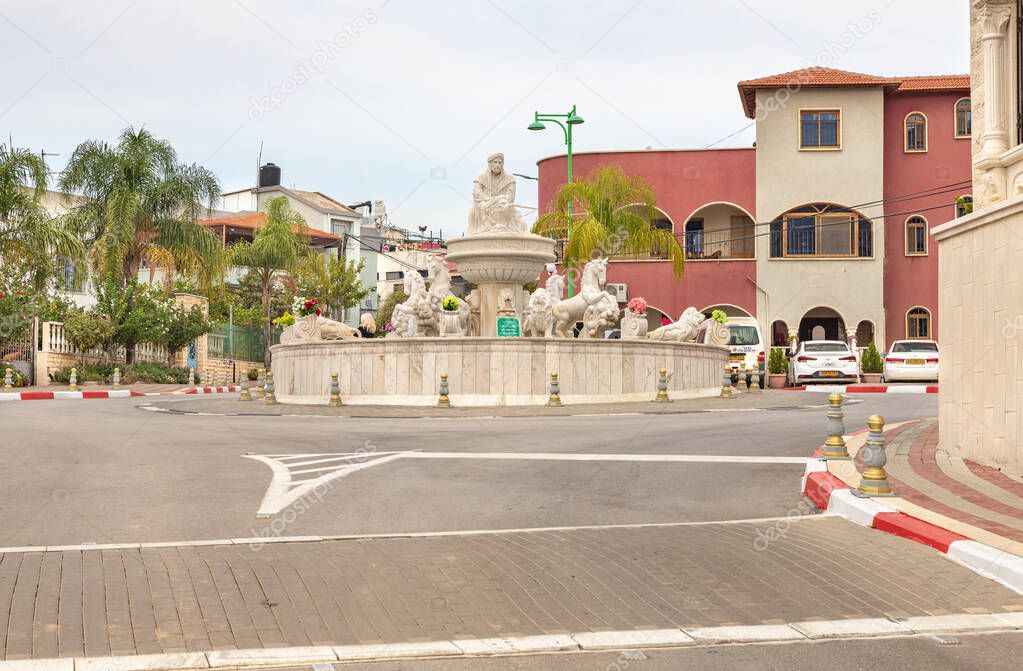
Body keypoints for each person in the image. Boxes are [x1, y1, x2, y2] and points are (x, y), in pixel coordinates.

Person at [467, 153, 525, 234]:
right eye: (495, 162)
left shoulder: (510, 179)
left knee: (509, 210)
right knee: (478, 208)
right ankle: (484, 229)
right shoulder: (480, 177)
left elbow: (510, 197)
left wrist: (501, 200)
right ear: (490, 164)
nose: (497, 165)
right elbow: (477, 192)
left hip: (502, 205)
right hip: (486, 204)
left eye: (500, 162)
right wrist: (489, 200)